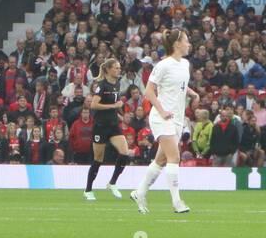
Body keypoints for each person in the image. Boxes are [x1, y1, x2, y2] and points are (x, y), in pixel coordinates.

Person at [131, 31, 199, 214]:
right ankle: (177, 202)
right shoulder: (163, 65)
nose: (188, 44)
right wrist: (161, 110)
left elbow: (179, 85)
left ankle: (139, 192)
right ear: (177, 44)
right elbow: (149, 91)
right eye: (186, 40)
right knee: (174, 157)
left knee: (161, 160)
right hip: (162, 118)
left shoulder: (185, 64)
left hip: (176, 118)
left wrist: (192, 93)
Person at [85, 58, 132, 200]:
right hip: (100, 127)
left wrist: (119, 115)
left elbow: (114, 104)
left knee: (124, 153)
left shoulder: (117, 84)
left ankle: (112, 183)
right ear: (108, 70)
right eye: (116, 68)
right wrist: (113, 106)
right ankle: (88, 190)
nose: (119, 70)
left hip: (113, 126)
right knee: (98, 159)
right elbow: (93, 105)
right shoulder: (101, 86)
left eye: (119, 68)